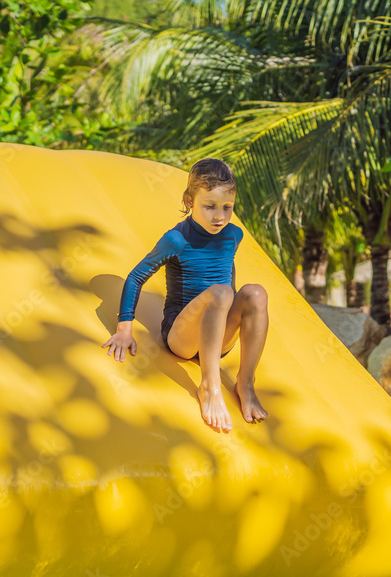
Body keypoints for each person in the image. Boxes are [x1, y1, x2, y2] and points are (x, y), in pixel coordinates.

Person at [102, 158, 269, 431]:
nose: (220, 217)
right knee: (221, 293)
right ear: (189, 201)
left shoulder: (234, 235)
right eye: (210, 206)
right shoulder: (177, 240)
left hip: (217, 342)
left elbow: (228, 270)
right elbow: (136, 277)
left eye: (227, 208)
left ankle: (245, 383)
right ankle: (209, 386)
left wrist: (237, 308)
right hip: (182, 337)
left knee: (255, 293)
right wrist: (124, 329)